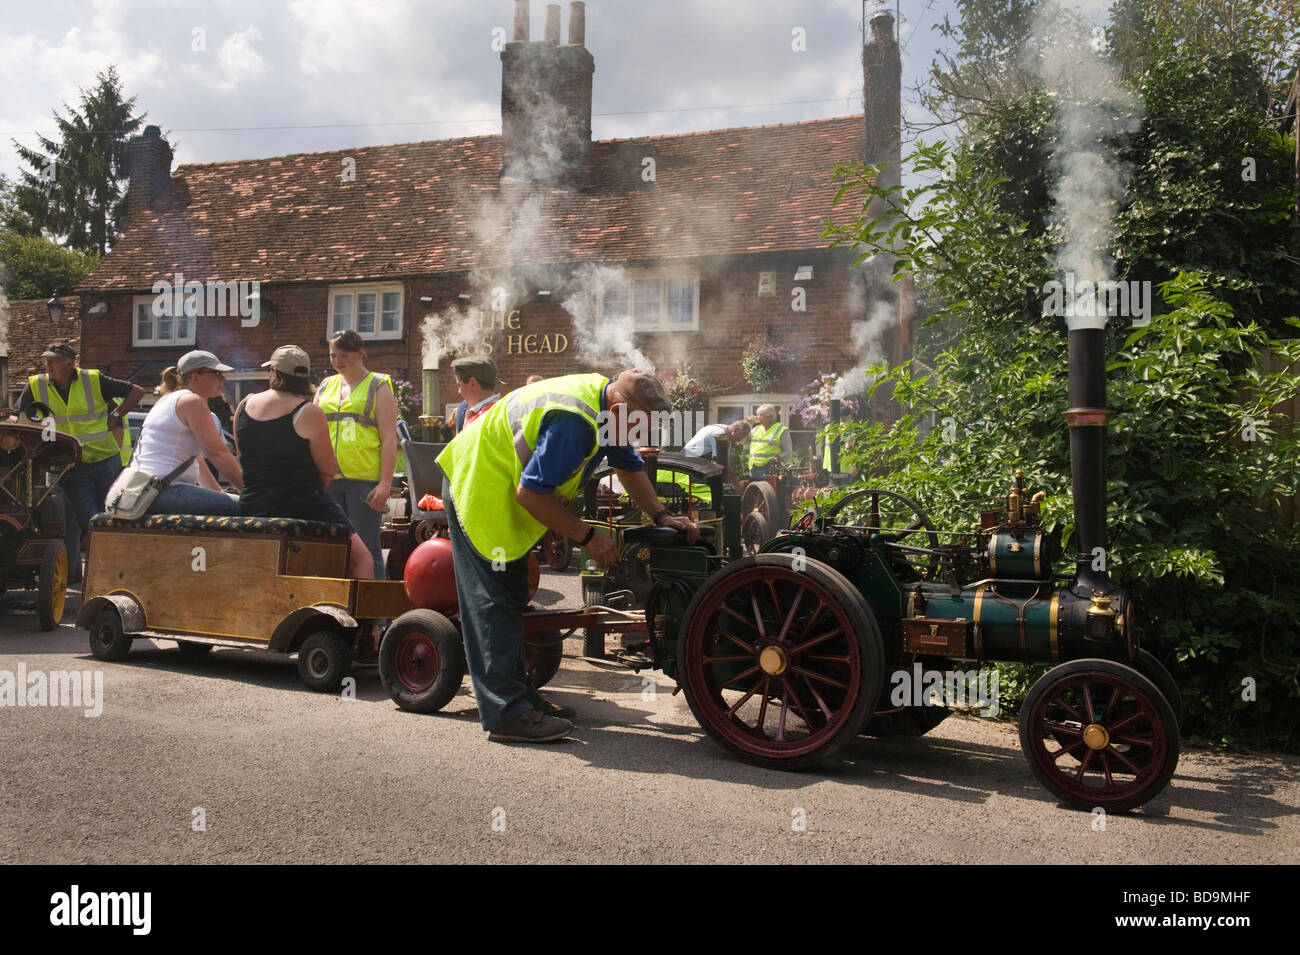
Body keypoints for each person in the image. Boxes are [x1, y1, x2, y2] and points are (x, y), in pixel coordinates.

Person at [437, 370, 698, 744]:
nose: (638, 436)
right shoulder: (575, 423)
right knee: (493, 602)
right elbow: (530, 495)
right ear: (620, 410)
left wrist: (661, 515)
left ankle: (521, 699)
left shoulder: (606, 407)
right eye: (638, 426)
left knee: (510, 595)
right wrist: (589, 537)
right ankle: (506, 714)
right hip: (477, 484)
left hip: (497, 482)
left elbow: (628, 466)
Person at [235, 345, 374, 580]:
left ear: (274, 372)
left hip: (253, 504)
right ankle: (363, 606)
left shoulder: (244, 405)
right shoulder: (308, 412)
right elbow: (328, 471)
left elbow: (244, 458)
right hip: (302, 504)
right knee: (362, 560)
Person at [19, 342, 148, 582]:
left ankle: (118, 571)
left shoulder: (93, 380)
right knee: (88, 519)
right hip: (69, 465)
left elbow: (137, 391)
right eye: (47, 361)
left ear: (71, 364)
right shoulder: (36, 385)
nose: (48, 365)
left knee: (113, 515)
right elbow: (22, 418)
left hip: (104, 460)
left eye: (55, 361)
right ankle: (97, 574)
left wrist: (115, 415)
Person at [313, 329, 398, 579]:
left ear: (360, 353)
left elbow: (389, 438)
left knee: (367, 549)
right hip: (328, 479)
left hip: (363, 482)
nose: (337, 361)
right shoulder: (326, 385)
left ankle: (374, 605)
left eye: (344, 356)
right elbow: (313, 430)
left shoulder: (378, 385)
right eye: (333, 356)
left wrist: (385, 484)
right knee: (332, 548)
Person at [134, 350, 243, 516]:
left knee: (233, 505)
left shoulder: (169, 399)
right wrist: (251, 494)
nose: (223, 379)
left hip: (148, 491)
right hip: (164, 491)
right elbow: (217, 453)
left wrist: (219, 495)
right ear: (195, 377)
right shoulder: (192, 401)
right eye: (216, 373)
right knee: (253, 508)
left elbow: (196, 460)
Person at [451, 356, 503, 434]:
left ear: (472, 383)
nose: (459, 391)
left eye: (459, 385)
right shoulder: (501, 411)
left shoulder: (492, 416)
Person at [747, 403, 791, 479]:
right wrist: (747, 423)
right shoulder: (755, 429)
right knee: (754, 486)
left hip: (770, 468)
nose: (757, 418)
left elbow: (788, 452)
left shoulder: (781, 430)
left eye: (761, 415)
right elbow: (742, 440)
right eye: (757, 415)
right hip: (753, 467)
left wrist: (775, 460)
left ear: (770, 417)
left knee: (769, 487)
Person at [682, 420, 750, 459]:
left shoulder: (723, 429)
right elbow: (720, 461)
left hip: (693, 458)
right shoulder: (720, 434)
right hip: (688, 460)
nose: (740, 439)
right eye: (741, 436)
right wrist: (734, 480)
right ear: (735, 430)